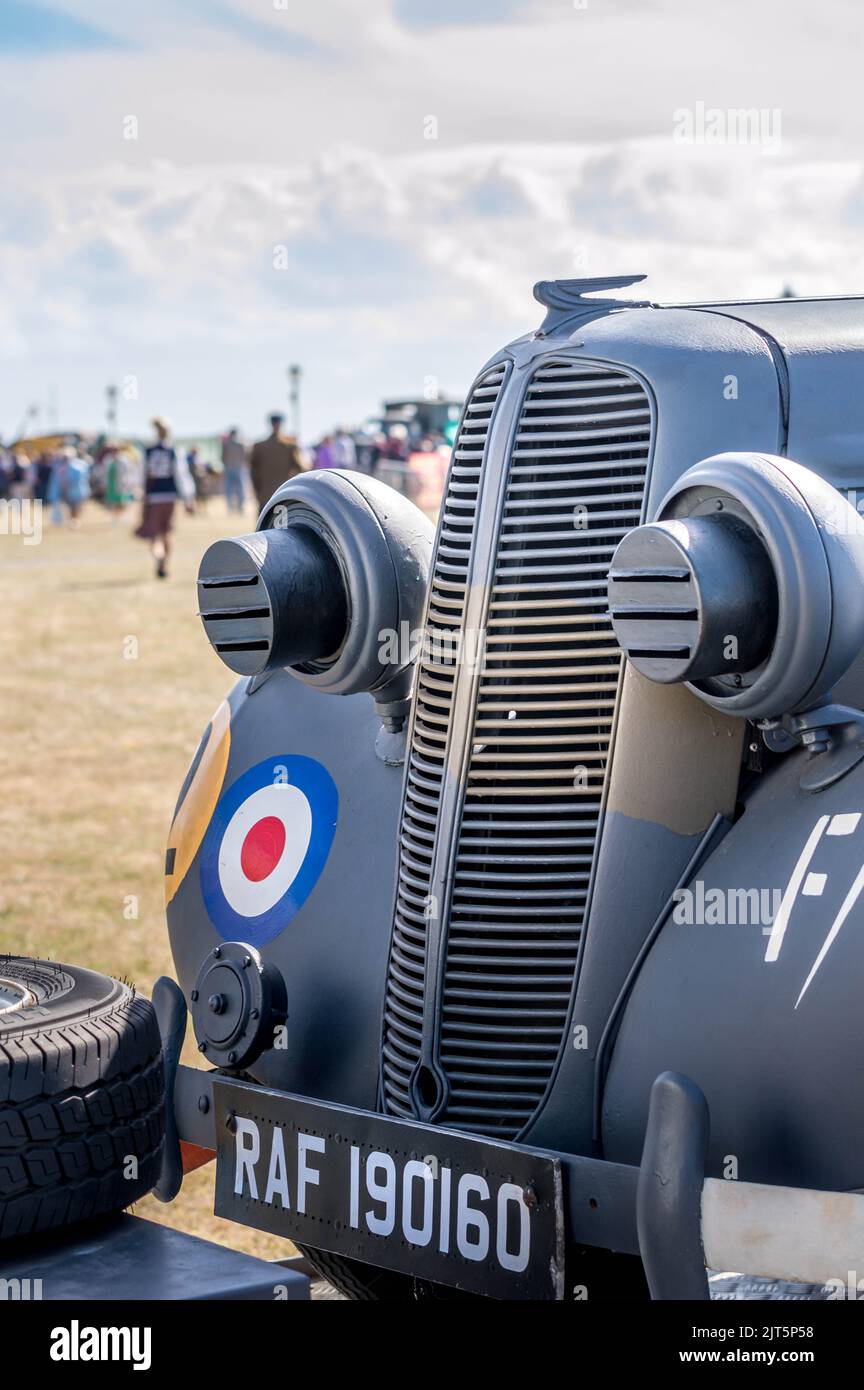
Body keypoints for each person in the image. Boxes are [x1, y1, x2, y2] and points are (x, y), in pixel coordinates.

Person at [135, 417, 194, 579]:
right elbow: (182, 476)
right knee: (167, 531)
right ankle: (165, 562)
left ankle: (158, 556)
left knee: (154, 534)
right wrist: (188, 498)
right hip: (169, 496)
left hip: (153, 497)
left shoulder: (147, 452)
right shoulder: (174, 451)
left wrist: (140, 493)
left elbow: (141, 476)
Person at [249, 413, 305, 510]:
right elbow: (300, 468)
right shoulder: (289, 446)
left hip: (266, 494)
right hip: (283, 493)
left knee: (266, 521)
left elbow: (253, 472)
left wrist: (257, 490)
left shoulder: (260, 446)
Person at [221, 428, 247, 512]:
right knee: (240, 489)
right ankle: (240, 507)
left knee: (229, 489)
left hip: (229, 468)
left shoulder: (226, 444)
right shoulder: (240, 444)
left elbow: (222, 457)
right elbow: (244, 456)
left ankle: (230, 508)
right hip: (238, 468)